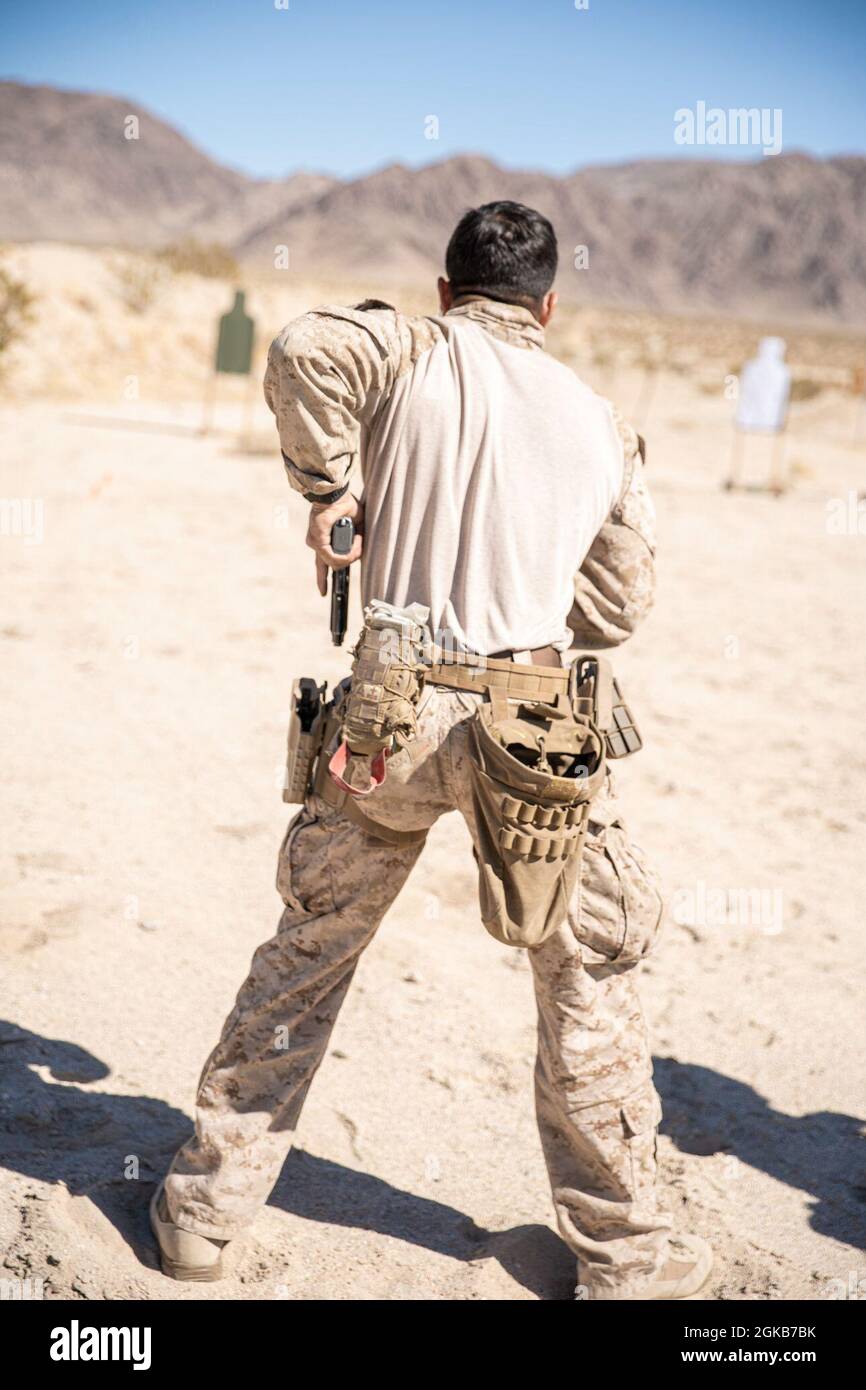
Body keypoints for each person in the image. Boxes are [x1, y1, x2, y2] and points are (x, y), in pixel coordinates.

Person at [151, 201, 712, 1300]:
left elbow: (303, 346)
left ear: (447, 290)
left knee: (308, 954)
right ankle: (626, 1257)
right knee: (584, 985)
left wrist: (332, 492)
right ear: (549, 306)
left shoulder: (407, 349)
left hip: (388, 713)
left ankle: (201, 1217)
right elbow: (618, 604)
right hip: (532, 724)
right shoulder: (601, 420)